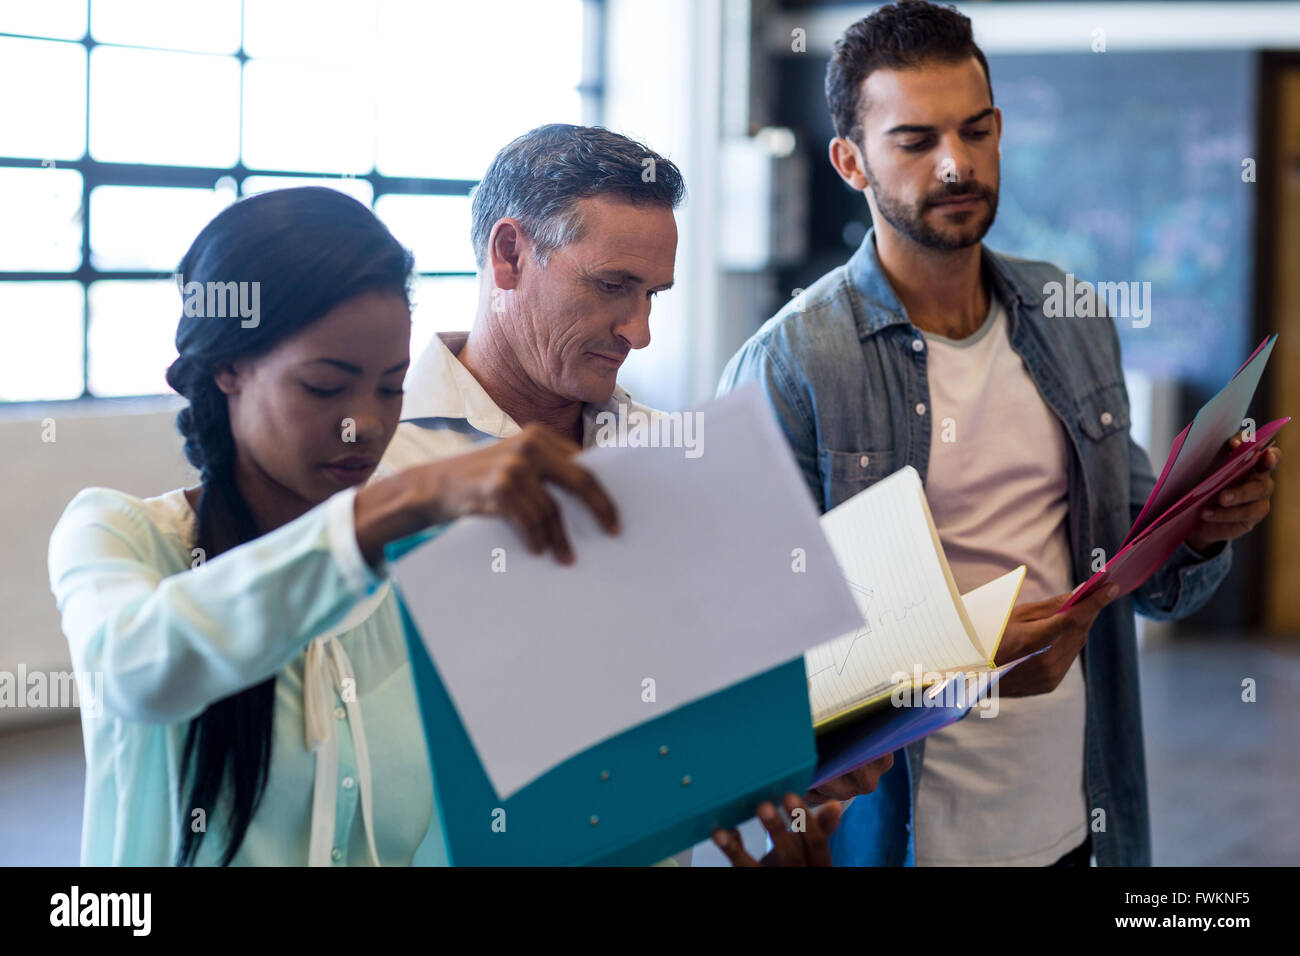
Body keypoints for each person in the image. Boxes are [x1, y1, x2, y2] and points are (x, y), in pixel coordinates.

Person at [48, 186, 838, 866]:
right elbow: (139, 670)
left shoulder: (420, 581)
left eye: (391, 388)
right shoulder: (119, 536)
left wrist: (761, 790)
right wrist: (391, 508)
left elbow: (526, 818)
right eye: (326, 387)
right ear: (227, 368)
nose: (363, 425)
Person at [717, 0, 1280, 867]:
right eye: (915, 141)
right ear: (850, 162)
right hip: (901, 842)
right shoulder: (792, 364)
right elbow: (757, 658)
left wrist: (1203, 527)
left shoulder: (1071, 316)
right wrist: (962, 659)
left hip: (1078, 818)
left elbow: (1145, 566)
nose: (956, 164)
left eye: (976, 131)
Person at [378, 125, 897, 856]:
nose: (640, 331)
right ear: (509, 254)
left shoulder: (675, 454)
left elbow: (716, 700)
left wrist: (809, 757)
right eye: (613, 285)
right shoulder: (379, 467)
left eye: (653, 294)